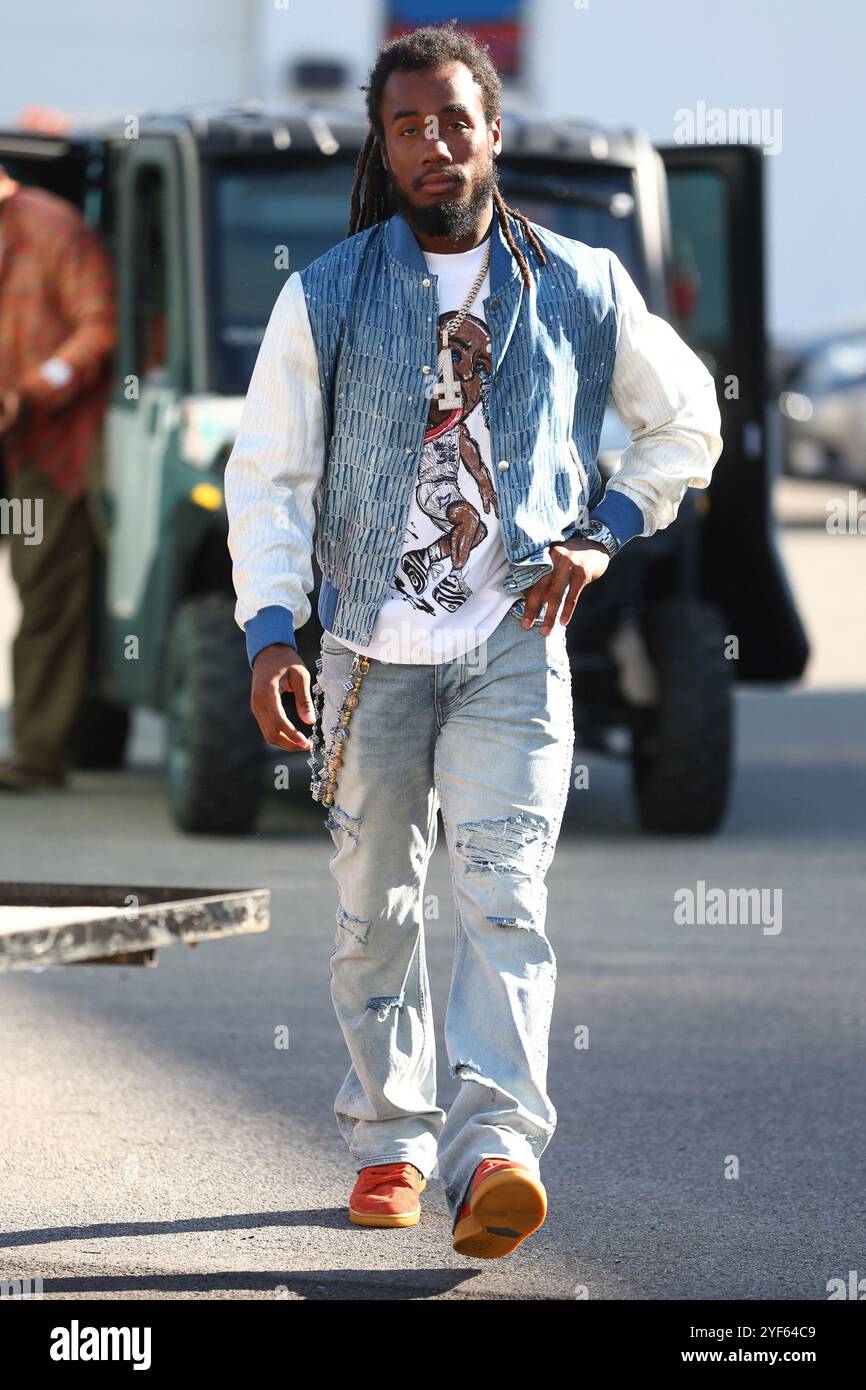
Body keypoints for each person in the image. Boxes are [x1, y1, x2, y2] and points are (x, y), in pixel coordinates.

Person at [224, 22, 723, 1258]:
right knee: (374, 911)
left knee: (505, 901)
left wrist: (603, 529)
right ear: (384, 149)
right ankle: (390, 1140)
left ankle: (494, 1146)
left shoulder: (582, 282)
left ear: (493, 129)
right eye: (409, 126)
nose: (436, 144)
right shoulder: (325, 293)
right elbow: (269, 479)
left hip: (513, 644)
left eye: (456, 119)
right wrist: (271, 632)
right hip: (364, 658)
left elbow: (686, 422)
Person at [0, 163, 116, 790]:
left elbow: (98, 330)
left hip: (54, 444)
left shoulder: (52, 229)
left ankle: (38, 752)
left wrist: (36, 389)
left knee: (42, 584)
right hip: (17, 444)